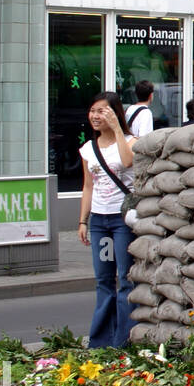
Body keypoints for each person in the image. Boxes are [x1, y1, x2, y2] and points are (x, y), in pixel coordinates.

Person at [78, 93, 136, 349]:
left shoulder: (131, 141)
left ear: (115, 113)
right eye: (93, 111)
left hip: (122, 220)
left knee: (125, 277)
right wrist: (83, 221)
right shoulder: (88, 148)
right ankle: (100, 341)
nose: (95, 116)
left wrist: (117, 130)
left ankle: (122, 340)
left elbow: (128, 161)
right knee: (104, 279)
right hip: (100, 221)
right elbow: (88, 186)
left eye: (102, 111)